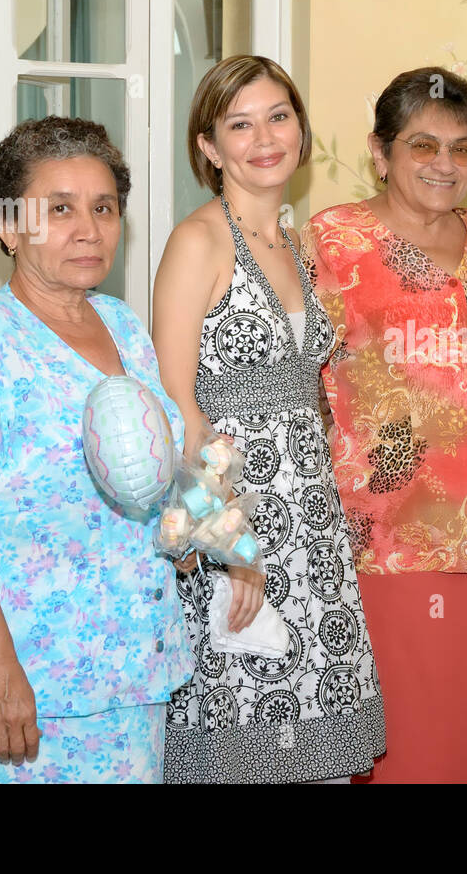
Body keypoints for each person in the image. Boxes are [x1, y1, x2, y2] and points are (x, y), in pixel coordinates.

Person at [0, 116, 193, 783]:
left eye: (104, 207)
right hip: (30, 680)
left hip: (134, 670)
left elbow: (151, 475)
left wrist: (194, 531)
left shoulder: (125, 327)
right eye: (60, 209)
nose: (89, 229)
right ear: (8, 226)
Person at [153, 55, 384, 783]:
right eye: (240, 125)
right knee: (241, 738)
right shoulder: (198, 242)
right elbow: (175, 405)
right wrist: (231, 544)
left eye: (278, 117)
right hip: (234, 520)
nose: (264, 139)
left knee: (317, 745)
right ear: (209, 146)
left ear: (301, 130)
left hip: (310, 525)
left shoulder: (296, 245)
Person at [306, 66, 467, 783]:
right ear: (380, 150)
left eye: (462, 148)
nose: (444, 164)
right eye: (423, 145)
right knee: (401, 743)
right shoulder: (333, 239)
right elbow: (298, 374)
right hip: (382, 538)